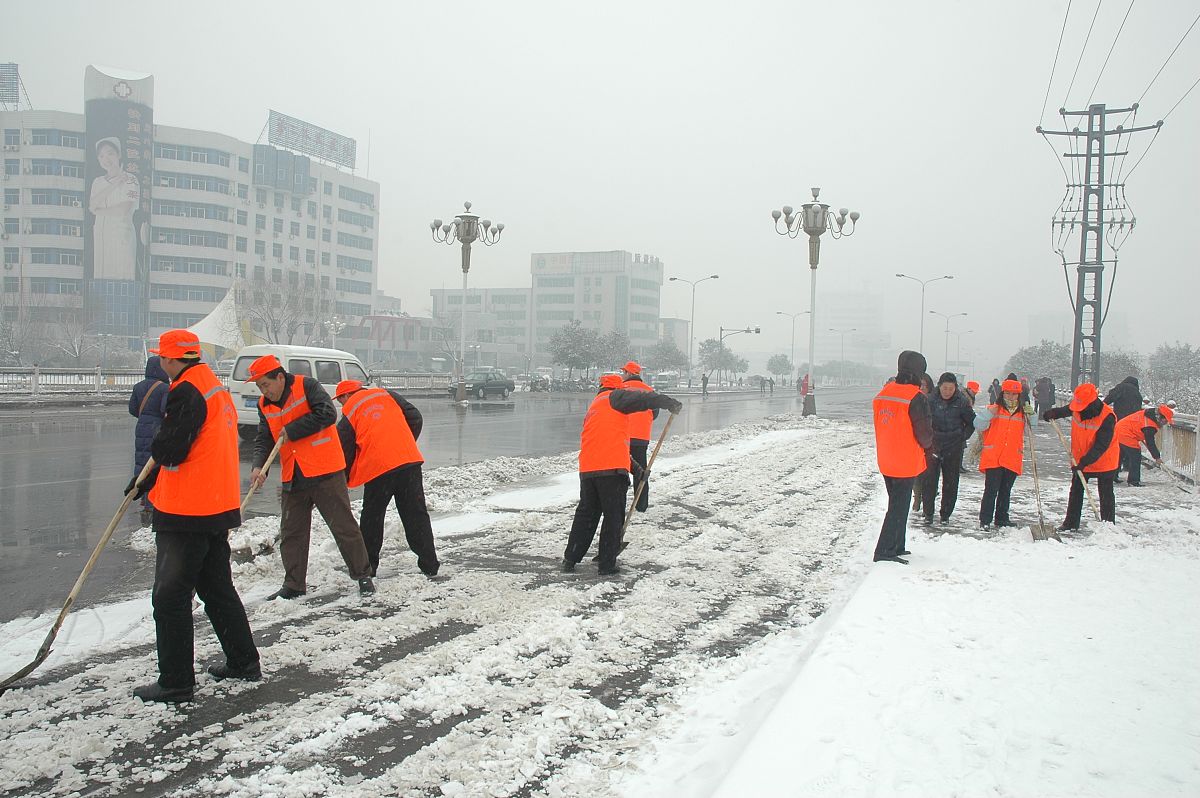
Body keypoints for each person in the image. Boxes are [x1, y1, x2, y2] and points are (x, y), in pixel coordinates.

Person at [128, 330, 259, 703]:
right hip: (215, 505)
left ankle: (175, 682)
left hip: (186, 510)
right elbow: (195, 444)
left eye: (162, 358)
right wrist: (143, 481)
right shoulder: (212, 386)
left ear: (170, 360)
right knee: (217, 590)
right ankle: (243, 662)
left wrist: (153, 458)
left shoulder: (185, 390)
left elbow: (172, 449)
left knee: (169, 597)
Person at [247, 354, 375, 599]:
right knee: (291, 531)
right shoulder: (264, 405)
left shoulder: (307, 386)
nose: (265, 391)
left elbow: (327, 414)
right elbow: (264, 438)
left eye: (266, 384)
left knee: (343, 526)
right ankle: (294, 584)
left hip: (324, 470)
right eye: (260, 386)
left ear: (280, 377)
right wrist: (257, 466)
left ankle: (363, 576)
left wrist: (292, 429)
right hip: (293, 473)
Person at [563, 374, 682, 576]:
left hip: (588, 470)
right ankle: (607, 565)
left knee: (586, 515)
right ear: (617, 388)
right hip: (611, 472)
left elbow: (611, 446)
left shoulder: (595, 406)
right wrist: (666, 402)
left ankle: (571, 558)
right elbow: (643, 399)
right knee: (613, 516)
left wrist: (637, 470)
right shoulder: (615, 397)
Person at [335, 379, 440, 577]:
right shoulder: (387, 394)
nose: (342, 405)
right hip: (408, 462)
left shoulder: (351, 408)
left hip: (378, 468)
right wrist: (403, 442)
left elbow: (344, 448)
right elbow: (415, 418)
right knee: (416, 514)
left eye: (341, 400)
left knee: (372, 518)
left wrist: (344, 477)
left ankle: (369, 567)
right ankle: (430, 564)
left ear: (346, 396)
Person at [872, 350, 934, 564]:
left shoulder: (885, 392)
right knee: (898, 507)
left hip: (886, 457)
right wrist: (929, 448)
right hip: (905, 460)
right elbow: (924, 433)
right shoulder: (916, 397)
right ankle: (884, 550)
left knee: (897, 503)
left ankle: (897, 545)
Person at [1042, 383, 1119, 529]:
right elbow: (1065, 410)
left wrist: (1085, 462)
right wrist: (1052, 413)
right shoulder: (1077, 407)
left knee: (1106, 493)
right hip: (1080, 459)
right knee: (1076, 490)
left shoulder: (1107, 416)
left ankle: (1108, 525)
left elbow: (1101, 445)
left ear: (1092, 403)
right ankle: (1071, 523)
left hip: (1104, 460)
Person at [921, 372, 976, 525]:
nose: (947, 392)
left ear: (955, 388)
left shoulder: (962, 401)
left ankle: (945, 514)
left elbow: (972, 421)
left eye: (951, 389)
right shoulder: (930, 400)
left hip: (954, 446)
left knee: (951, 482)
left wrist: (962, 436)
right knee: (929, 481)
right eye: (945, 388)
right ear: (939, 387)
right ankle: (928, 513)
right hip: (933, 445)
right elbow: (923, 421)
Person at [975, 379, 1027, 529]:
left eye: (1014, 394)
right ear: (1003, 393)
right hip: (994, 456)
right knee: (991, 489)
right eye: (1008, 393)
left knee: (1006, 490)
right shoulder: (994, 409)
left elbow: (1032, 426)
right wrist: (987, 414)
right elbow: (978, 424)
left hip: (1012, 456)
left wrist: (1032, 415)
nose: (1011, 397)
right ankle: (985, 520)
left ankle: (1002, 518)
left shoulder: (1023, 412)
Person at [89, 137, 140, 280]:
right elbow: (91, 205)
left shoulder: (131, 179)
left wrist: (98, 211)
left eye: (110, 153)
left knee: (122, 279)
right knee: (101, 279)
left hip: (121, 237)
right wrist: (115, 184)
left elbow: (123, 210)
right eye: (101, 156)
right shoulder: (97, 182)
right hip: (101, 238)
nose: (106, 159)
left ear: (119, 154)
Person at [128, 355, 169, 517]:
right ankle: (151, 501)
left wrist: (144, 416)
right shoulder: (164, 388)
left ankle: (142, 496)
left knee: (141, 460)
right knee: (154, 464)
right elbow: (164, 410)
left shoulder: (138, 387)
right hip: (156, 428)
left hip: (141, 427)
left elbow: (132, 409)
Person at [619, 361, 657, 512]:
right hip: (641, 437)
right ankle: (641, 505)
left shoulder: (620, 389)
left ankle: (617, 501)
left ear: (629, 374)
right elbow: (654, 413)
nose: (622, 375)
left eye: (624, 372)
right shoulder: (649, 390)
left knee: (620, 468)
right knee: (640, 469)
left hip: (623, 436)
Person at [1114, 404, 1173, 487]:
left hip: (1120, 429)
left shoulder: (1149, 415)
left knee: (1120, 455)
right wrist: (1157, 457)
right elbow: (1150, 443)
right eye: (1165, 420)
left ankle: (1112, 476)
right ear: (1160, 417)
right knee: (1136, 456)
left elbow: (1138, 426)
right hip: (1125, 433)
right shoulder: (1150, 425)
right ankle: (1133, 481)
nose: (1165, 423)